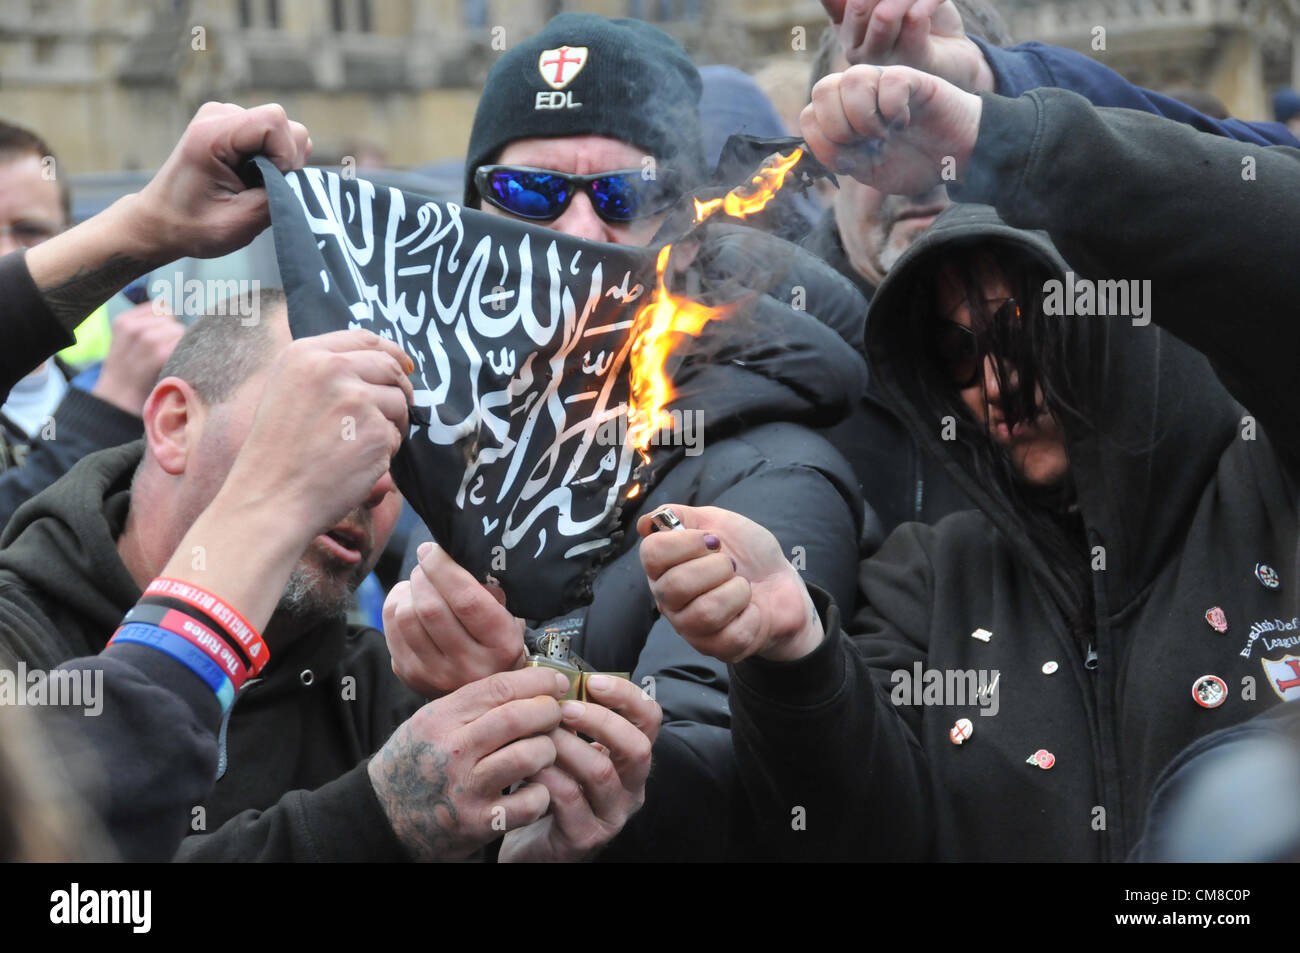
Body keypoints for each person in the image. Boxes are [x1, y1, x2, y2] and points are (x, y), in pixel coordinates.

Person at [637, 62, 1300, 860]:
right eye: (956, 349)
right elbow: (865, 834)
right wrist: (797, 652)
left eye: (1024, 327)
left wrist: (1012, 139)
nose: (995, 385)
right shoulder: (929, 580)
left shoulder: (1271, 489)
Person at [385, 12, 870, 859]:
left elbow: (713, 775)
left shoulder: (772, 473)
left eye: (623, 195)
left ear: (683, 231)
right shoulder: (444, 453)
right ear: (474, 218)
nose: (577, 232)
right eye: (530, 194)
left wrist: (504, 693)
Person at [0, 281, 661, 862]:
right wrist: (372, 824)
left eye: (398, 449)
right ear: (174, 423)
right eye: (328, 422)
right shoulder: (17, 638)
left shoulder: (394, 698)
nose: (375, 483)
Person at [801, 0, 1300, 535]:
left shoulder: (1168, 341)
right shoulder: (799, 375)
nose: (921, 174)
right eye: (869, 130)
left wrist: (993, 108)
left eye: (934, 124)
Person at [0, 119, 185, 527]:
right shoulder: (108, 396)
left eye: (29, 231)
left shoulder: (94, 385)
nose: (7, 254)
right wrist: (106, 411)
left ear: (71, 239)